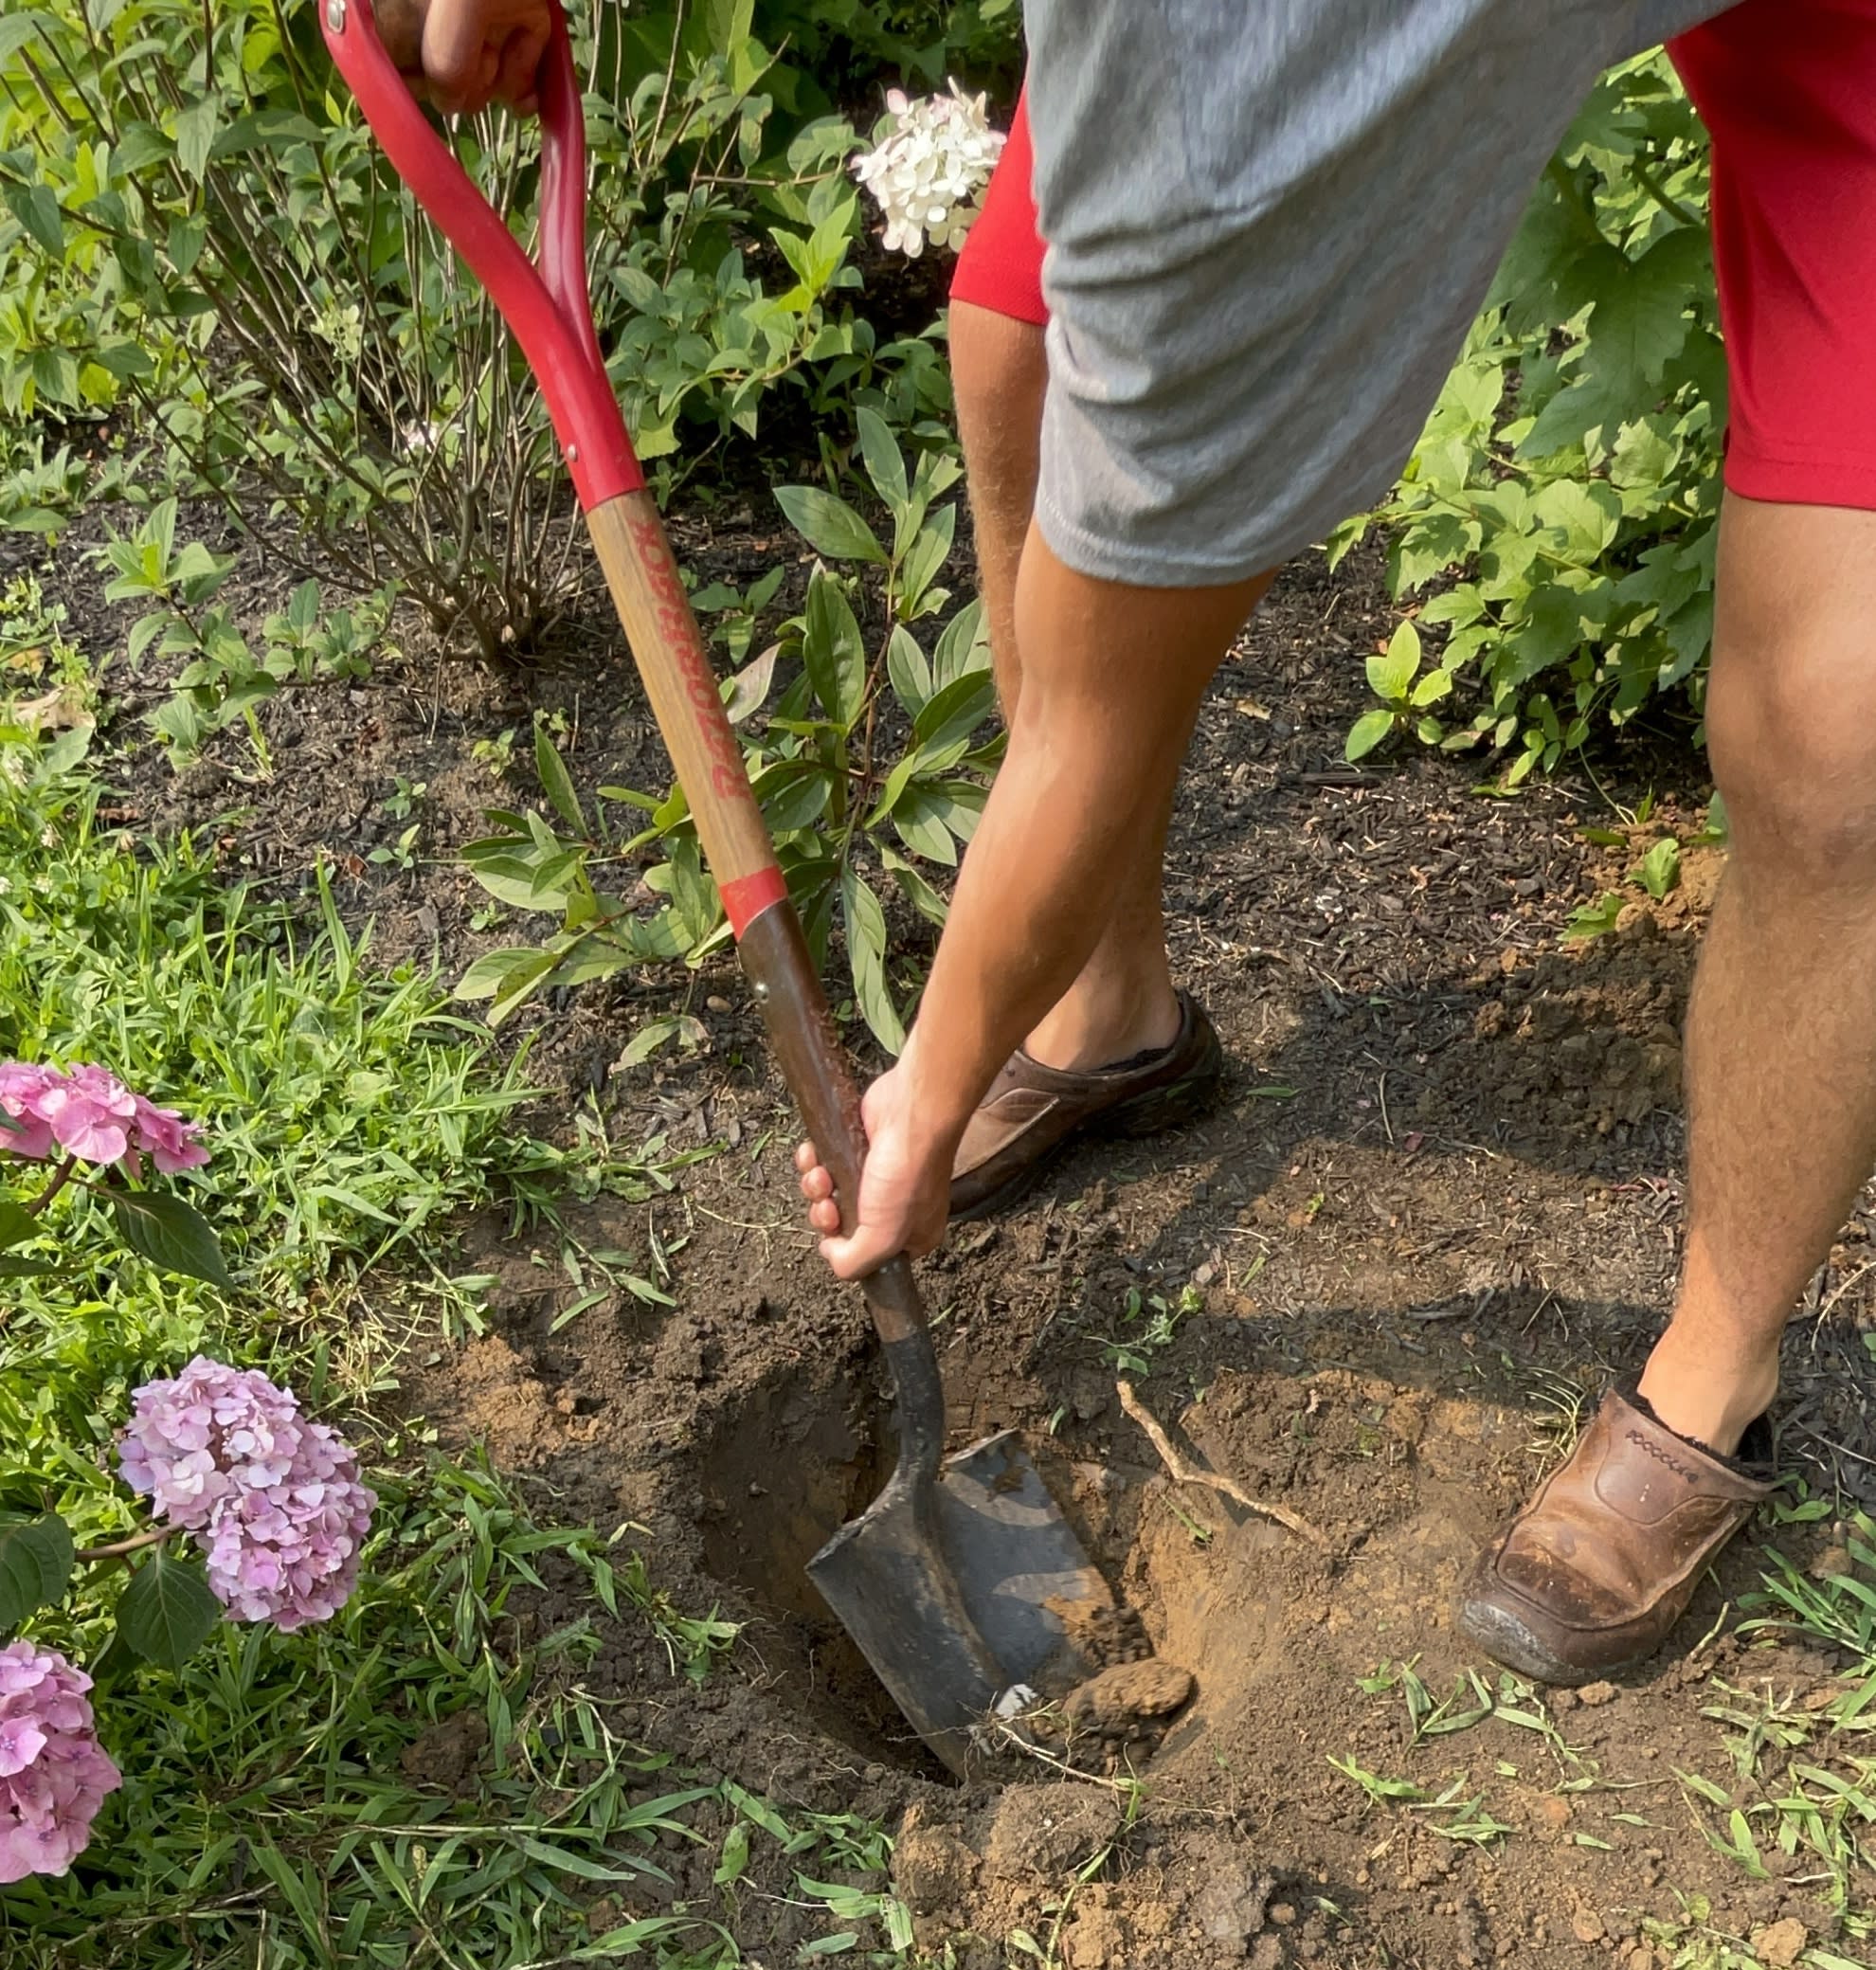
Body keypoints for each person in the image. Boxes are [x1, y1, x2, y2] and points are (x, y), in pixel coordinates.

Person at [395, 0, 1876, 1685]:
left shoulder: (1243, 123)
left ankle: (1719, 1377)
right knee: (1014, 347)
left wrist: (929, 1087)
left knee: (1837, 738)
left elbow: (1095, 721)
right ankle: (1109, 1015)